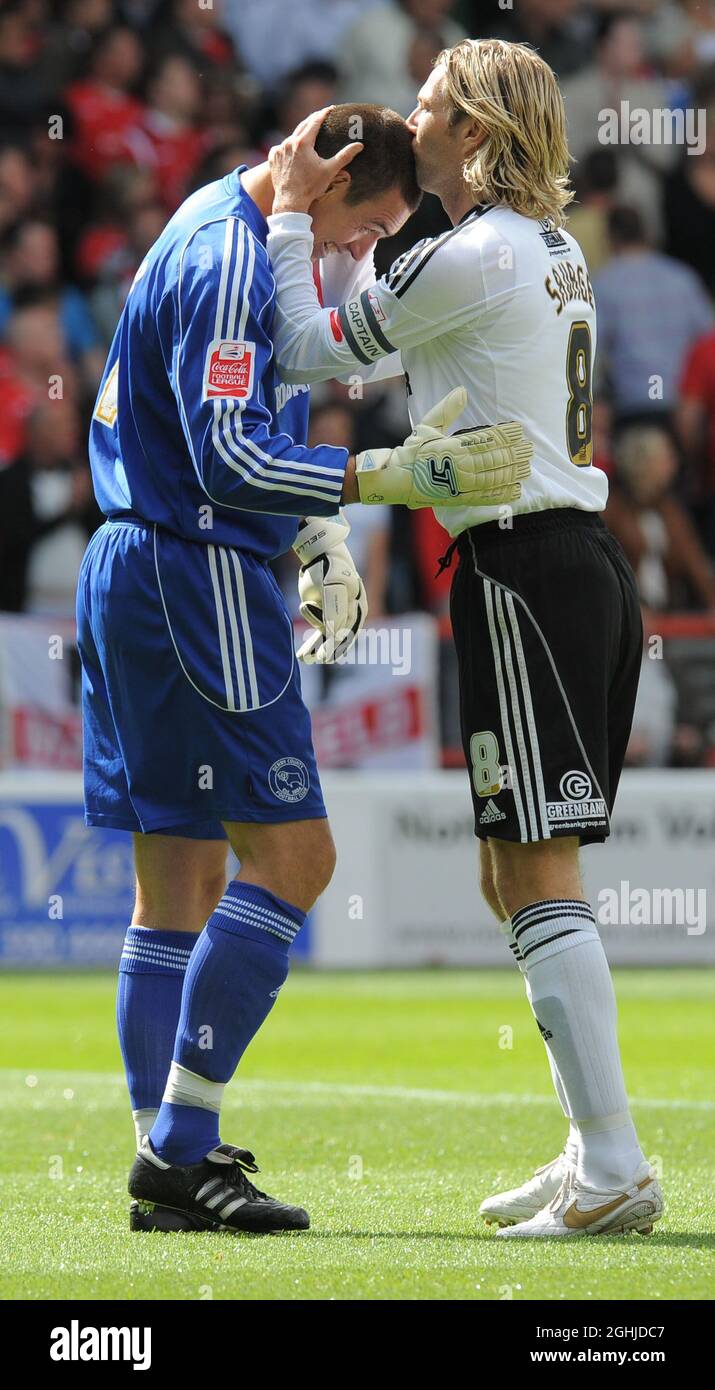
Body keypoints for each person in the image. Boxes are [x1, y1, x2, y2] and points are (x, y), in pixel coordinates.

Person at [76, 100, 532, 1237]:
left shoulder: (208, 223)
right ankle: (179, 1149)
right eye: (360, 227)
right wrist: (376, 482)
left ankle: (163, 1146)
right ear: (324, 179)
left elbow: (228, 412)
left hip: (140, 561)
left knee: (172, 880)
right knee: (298, 855)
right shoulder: (239, 262)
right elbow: (231, 454)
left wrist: (314, 539)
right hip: (200, 571)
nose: (358, 252)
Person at [265, 37, 664, 1238]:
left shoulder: (469, 252)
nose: (412, 119)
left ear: (477, 135)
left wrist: (290, 219)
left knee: (536, 872)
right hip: (559, 562)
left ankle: (611, 1165)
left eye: (433, 106)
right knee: (516, 871)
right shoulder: (546, 247)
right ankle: (587, 1142)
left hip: (525, 570)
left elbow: (305, 349)